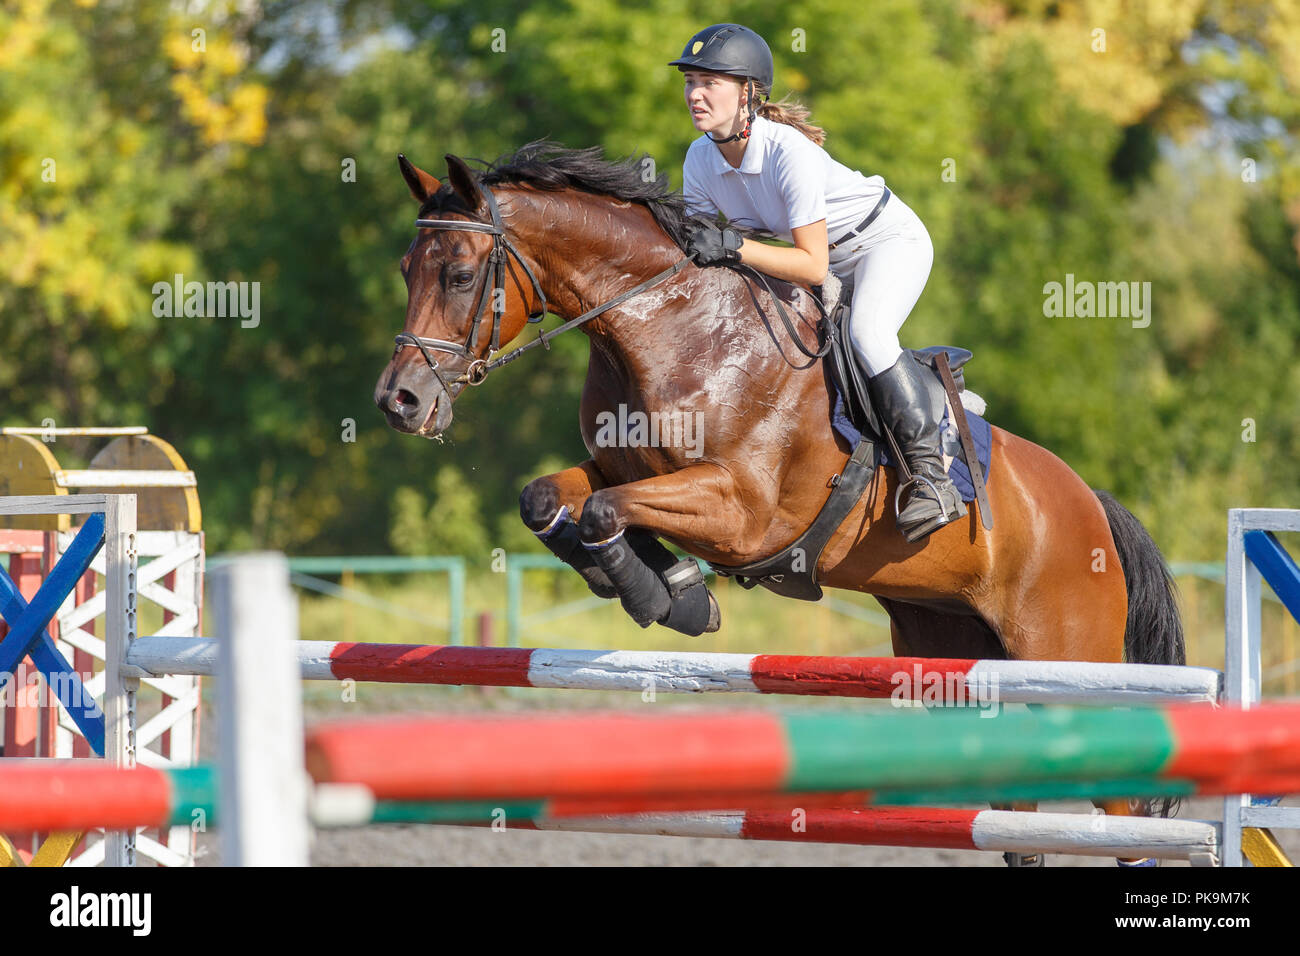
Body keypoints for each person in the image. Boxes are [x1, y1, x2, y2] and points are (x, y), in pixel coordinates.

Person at [670, 22, 965, 542]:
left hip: (883, 242)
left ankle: (931, 478)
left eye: (709, 82)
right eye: (690, 81)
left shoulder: (787, 152)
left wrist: (734, 247)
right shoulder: (699, 158)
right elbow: (699, 250)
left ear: (747, 92)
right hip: (820, 259)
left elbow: (810, 265)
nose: (695, 94)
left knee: (868, 336)